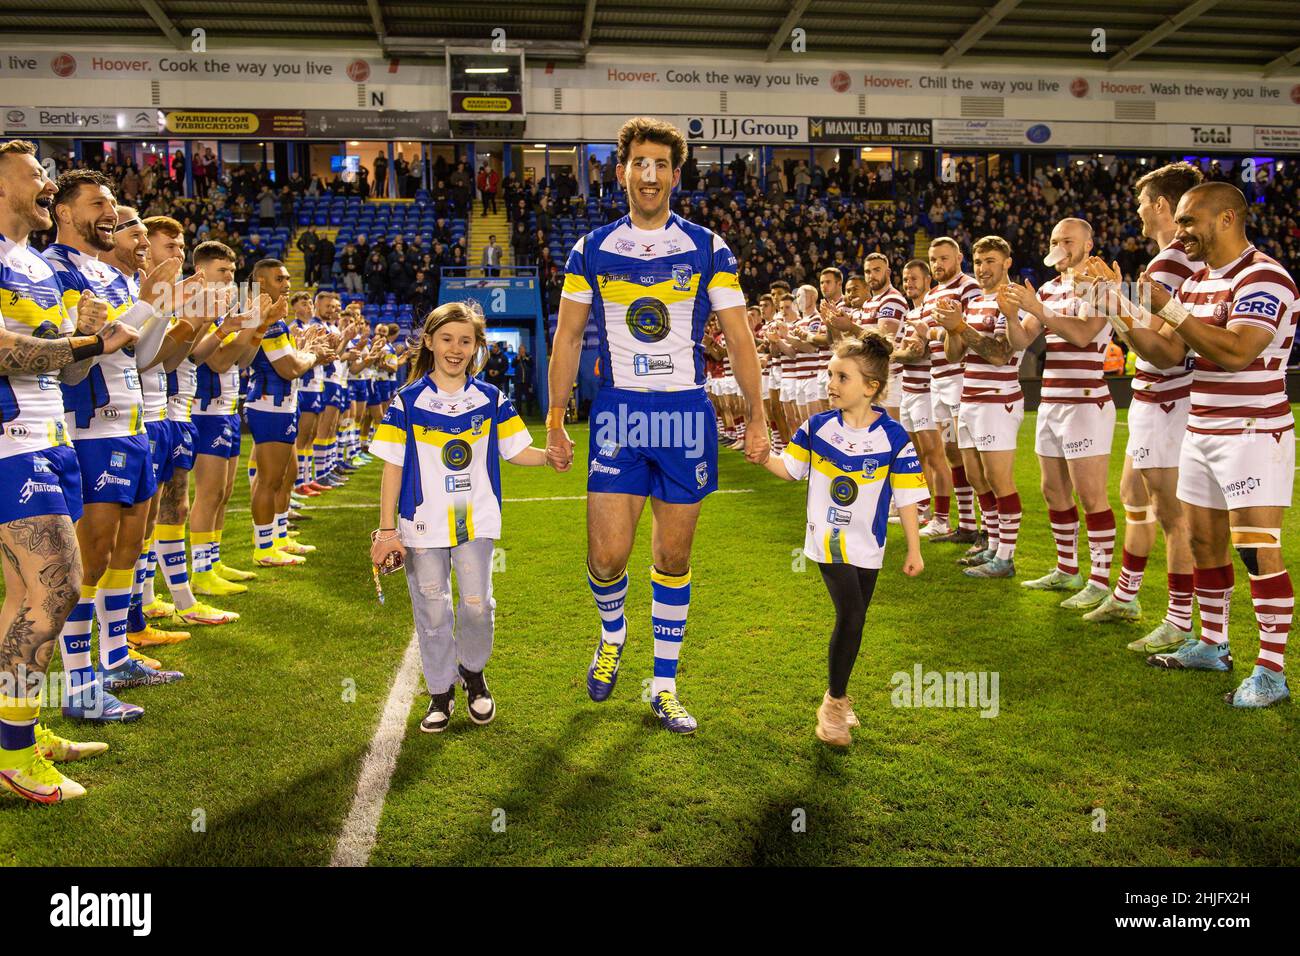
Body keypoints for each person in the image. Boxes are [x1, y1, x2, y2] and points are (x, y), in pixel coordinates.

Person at [546, 117, 768, 734]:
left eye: (660, 166)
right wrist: (556, 419)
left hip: (685, 416)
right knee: (608, 554)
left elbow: (741, 338)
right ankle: (612, 634)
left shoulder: (708, 246)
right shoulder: (590, 249)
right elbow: (566, 338)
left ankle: (664, 684)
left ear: (675, 174)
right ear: (622, 172)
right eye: (638, 164)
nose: (649, 175)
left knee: (673, 555)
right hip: (618, 413)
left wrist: (755, 417)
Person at [1094, 182, 1297, 707]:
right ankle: (1213, 643)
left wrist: (1172, 310)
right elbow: (1163, 354)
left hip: (1254, 433)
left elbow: (1238, 353)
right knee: (1206, 543)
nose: (1181, 232)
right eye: (1178, 222)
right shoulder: (1201, 281)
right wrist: (1119, 309)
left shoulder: (1265, 276)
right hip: (1202, 429)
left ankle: (1272, 671)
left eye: (1189, 222)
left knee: (1255, 547)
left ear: (1227, 219)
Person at [0, 139, 139, 802]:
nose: (45, 182)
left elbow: (67, 365)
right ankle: (16, 753)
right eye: (34, 174)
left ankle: (15, 734)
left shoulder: (33, 263)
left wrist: (82, 339)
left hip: (48, 437)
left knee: (23, 599)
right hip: (11, 443)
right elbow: (5, 351)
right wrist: (88, 340)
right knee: (56, 590)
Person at [370, 302, 553, 732]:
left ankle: (472, 672)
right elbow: (392, 466)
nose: (456, 348)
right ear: (430, 342)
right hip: (421, 525)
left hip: (477, 521)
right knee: (432, 610)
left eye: (465, 341)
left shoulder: (490, 398)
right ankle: (440, 691)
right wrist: (385, 528)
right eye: (447, 339)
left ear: (476, 347)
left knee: (476, 604)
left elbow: (515, 450)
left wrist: (549, 457)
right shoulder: (407, 401)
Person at [758, 334, 925, 745]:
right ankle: (833, 706)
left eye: (842, 377)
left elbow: (906, 498)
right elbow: (790, 470)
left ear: (870, 387)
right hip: (827, 540)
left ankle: (840, 696)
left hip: (869, 543)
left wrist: (915, 549)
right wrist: (763, 455)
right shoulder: (815, 427)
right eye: (830, 374)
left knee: (855, 620)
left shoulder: (894, 436)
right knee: (852, 615)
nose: (830, 383)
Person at [1083, 162, 1201, 654]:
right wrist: (1117, 298)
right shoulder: (1174, 261)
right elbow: (1151, 324)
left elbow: (1162, 343)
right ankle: (1127, 596)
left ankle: (1179, 619)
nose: (1135, 212)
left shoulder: (1171, 262)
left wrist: (1112, 304)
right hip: (1157, 393)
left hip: (1170, 394)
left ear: (1160, 206)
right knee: (1132, 490)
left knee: (1173, 513)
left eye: (1140, 203)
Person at [1001, 218, 1117, 612]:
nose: (1060, 245)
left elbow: (1084, 335)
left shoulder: (1102, 287)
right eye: (1054, 239)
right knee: (1053, 490)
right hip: (1050, 402)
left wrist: (1037, 309)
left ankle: (1101, 581)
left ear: (1088, 244)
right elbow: (1021, 341)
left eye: (1068, 239)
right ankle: (1068, 569)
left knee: (1090, 495)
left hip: (1086, 402)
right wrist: (1012, 315)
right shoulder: (1049, 288)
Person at [936, 235, 1029, 578]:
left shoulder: (1012, 299)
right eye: (978, 262)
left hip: (998, 398)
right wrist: (951, 328)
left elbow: (1001, 354)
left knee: (999, 479)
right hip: (971, 397)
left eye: (991, 261)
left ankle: (1005, 558)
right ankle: (991, 545)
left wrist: (960, 326)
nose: (983, 268)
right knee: (976, 477)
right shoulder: (974, 301)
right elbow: (953, 355)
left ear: (1007, 262)